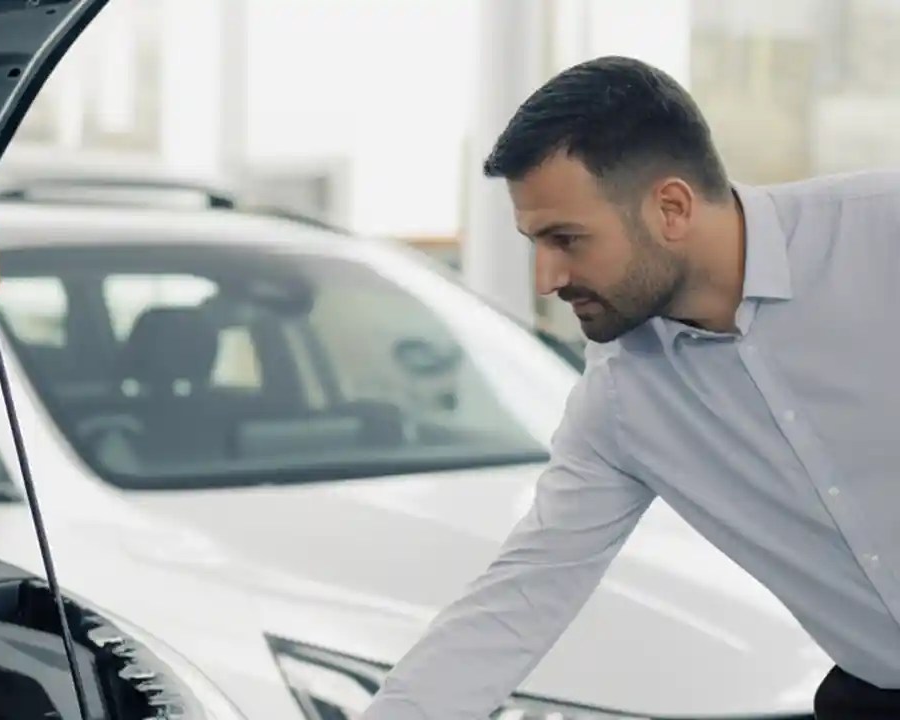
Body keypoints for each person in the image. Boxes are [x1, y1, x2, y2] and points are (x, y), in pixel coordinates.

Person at [361, 55, 900, 720]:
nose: (547, 279)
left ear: (671, 206)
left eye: (567, 239)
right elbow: (518, 600)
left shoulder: (884, 235)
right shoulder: (621, 398)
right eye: (535, 242)